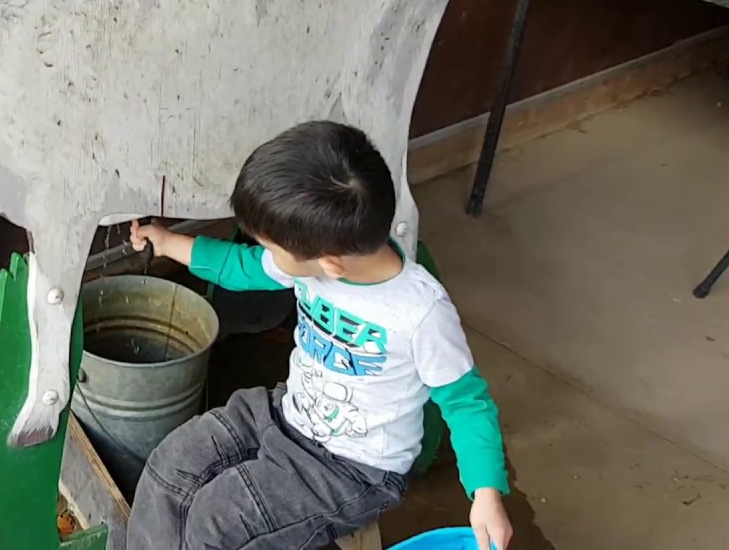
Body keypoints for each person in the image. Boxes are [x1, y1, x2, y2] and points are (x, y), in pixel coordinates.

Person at [126, 120, 512, 550]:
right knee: (172, 467)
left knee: (216, 523)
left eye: (272, 248)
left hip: (354, 469)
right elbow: (242, 267)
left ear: (329, 264)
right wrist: (167, 242)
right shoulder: (316, 258)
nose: (266, 255)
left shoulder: (420, 312)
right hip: (286, 414)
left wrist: (486, 495)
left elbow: (466, 403)